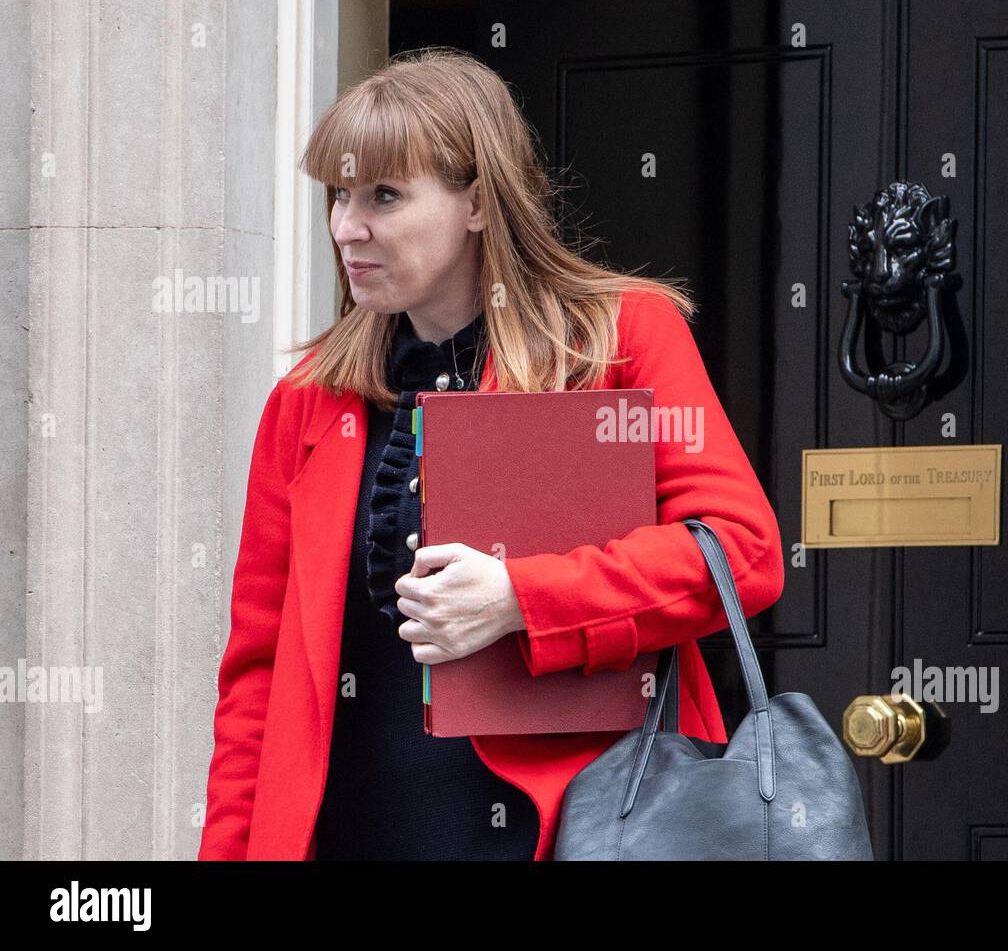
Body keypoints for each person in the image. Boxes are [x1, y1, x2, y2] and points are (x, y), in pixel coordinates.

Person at [197, 46, 785, 861]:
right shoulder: (305, 399)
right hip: (345, 834)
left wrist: (522, 597)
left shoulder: (621, 339)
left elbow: (741, 550)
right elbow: (255, 678)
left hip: (563, 829)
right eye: (338, 195)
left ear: (477, 201)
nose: (345, 226)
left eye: (385, 196)